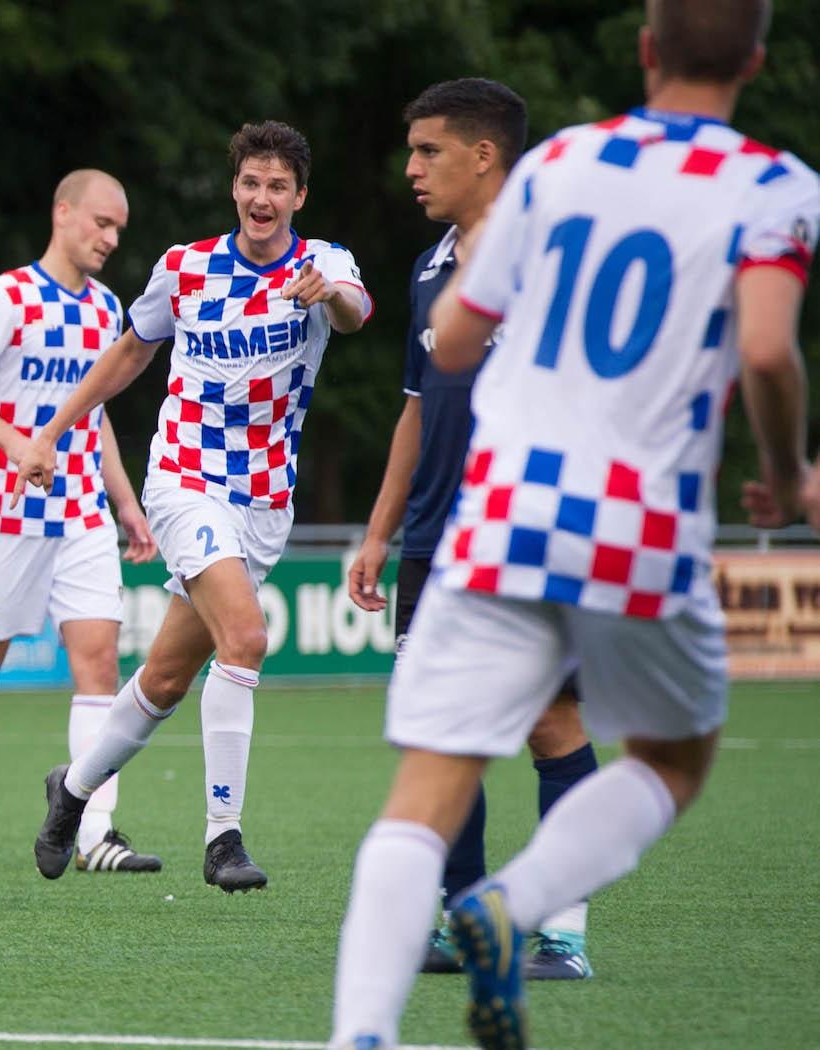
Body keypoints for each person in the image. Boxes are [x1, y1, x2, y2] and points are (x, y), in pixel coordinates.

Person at [328, 2, 817, 1046]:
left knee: (425, 786)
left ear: (646, 50)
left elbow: (453, 342)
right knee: (670, 762)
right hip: (641, 526)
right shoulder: (777, 186)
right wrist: (786, 473)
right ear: (758, 62)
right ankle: (519, 904)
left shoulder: (560, 168)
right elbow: (770, 354)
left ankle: (359, 1035)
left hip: (500, 517)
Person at [22, 124, 372, 891]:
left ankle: (72, 791)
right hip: (184, 479)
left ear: (298, 197)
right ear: (235, 188)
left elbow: (353, 310)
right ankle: (224, 838)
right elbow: (127, 352)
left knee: (169, 678)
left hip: (263, 504)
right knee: (244, 637)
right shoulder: (185, 267)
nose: (262, 198)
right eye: (251, 182)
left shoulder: (326, 265)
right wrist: (50, 428)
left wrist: (331, 296)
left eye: (278, 185)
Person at [346, 78, 599, 981]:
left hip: (525, 533)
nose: (411, 170)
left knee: (548, 720)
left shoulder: (548, 259)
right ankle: (461, 924)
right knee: (436, 730)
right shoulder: (429, 266)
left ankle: (562, 933)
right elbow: (417, 410)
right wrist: (380, 532)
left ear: (485, 155)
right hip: (431, 541)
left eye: (429, 152)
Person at [0, 168, 163, 874]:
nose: (111, 239)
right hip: (5, 515)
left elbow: (97, 414)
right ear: (63, 214)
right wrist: (16, 443)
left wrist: (125, 502)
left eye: (119, 229)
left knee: (99, 665)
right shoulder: (7, 296)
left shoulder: (106, 307)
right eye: (101, 223)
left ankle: (93, 834)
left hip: (83, 513)